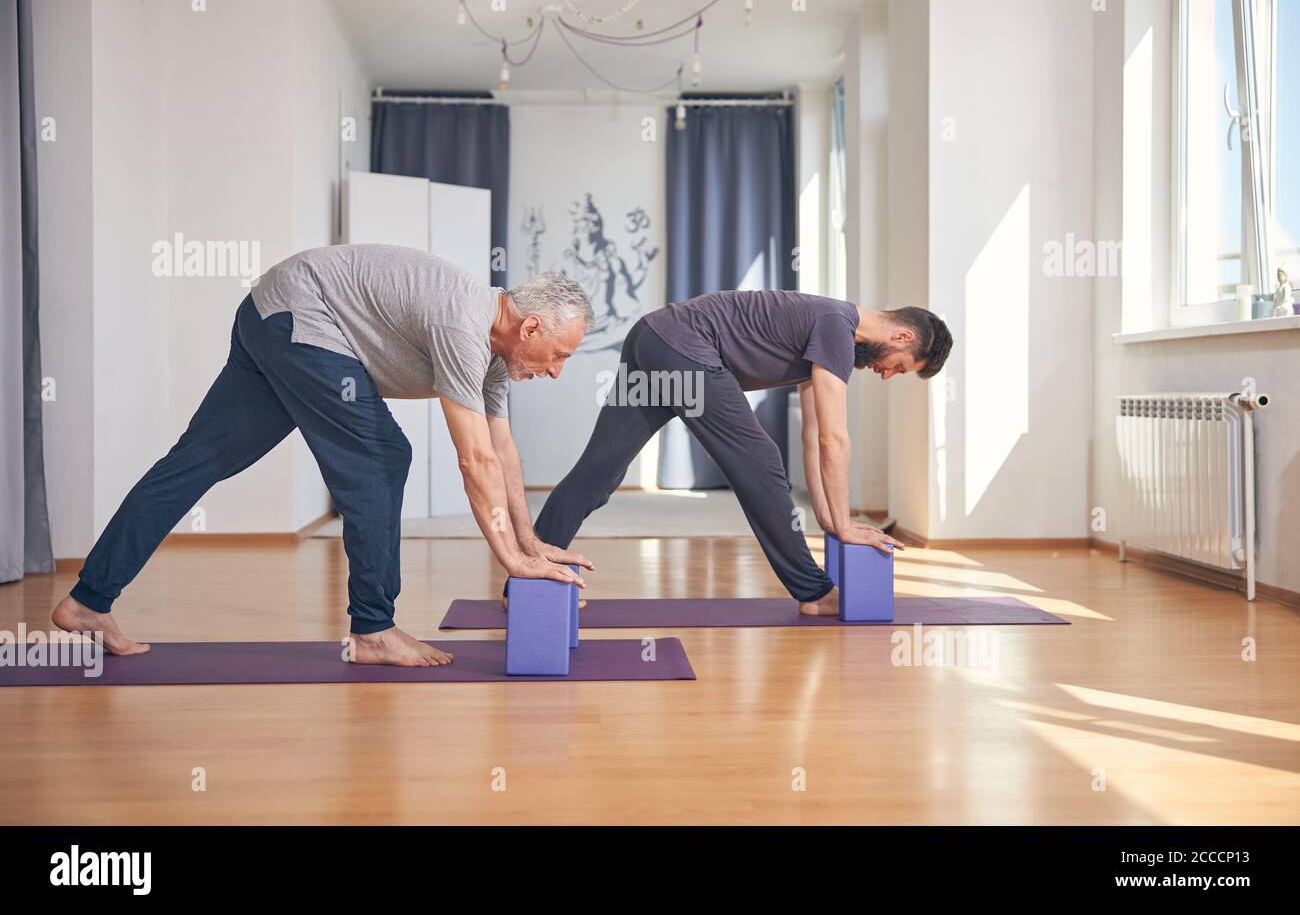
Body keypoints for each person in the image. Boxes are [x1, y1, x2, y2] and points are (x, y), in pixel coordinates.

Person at [53, 244, 595, 666]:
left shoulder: (497, 359)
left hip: (271, 315)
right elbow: (474, 460)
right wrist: (512, 561)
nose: (555, 371)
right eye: (559, 356)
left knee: (199, 459)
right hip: (301, 319)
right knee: (383, 457)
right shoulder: (464, 324)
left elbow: (501, 448)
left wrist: (530, 542)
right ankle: (374, 629)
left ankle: (87, 602)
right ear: (529, 327)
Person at [533, 289, 953, 616]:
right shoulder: (836, 327)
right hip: (683, 349)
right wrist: (844, 525)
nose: (886, 374)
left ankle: (530, 580)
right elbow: (834, 438)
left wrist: (829, 519)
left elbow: (812, 435)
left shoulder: (829, 326)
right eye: (900, 365)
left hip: (653, 338)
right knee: (762, 464)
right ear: (903, 336)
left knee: (598, 473)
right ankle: (814, 592)